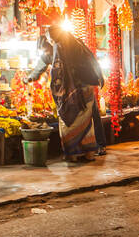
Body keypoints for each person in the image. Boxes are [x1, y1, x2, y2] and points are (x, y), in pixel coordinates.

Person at [26, 25, 104, 162]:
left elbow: (90, 61)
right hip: (70, 93)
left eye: (51, 40)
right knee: (84, 121)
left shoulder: (69, 47)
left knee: (83, 120)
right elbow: (41, 64)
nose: (50, 43)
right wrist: (30, 77)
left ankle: (87, 150)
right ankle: (86, 152)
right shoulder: (55, 50)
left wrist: (98, 77)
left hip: (82, 89)